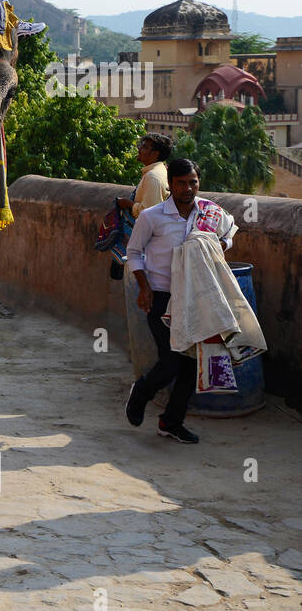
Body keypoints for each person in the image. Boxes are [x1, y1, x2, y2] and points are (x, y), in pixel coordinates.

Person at [124, 158, 236, 444]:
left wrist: (219, 245)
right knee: (172, 362)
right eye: (181, 183)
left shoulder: (208, 212)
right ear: (170, 184)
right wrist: (144, 288)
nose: (188, 188)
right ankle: (142, 391)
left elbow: (228, 232)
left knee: (189, 367)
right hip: (161, 297)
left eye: (193, 182)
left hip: (195, 298)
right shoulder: (152, 216)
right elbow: (134, 252)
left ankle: (171, 422)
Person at [118, 134, 172, 217]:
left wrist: (128, 204)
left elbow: (149, 213)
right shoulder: (157, 171)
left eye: (144, 147)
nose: (139, 149)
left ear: (155, 154)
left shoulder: (153, 176)